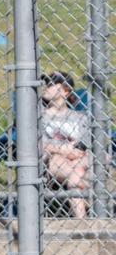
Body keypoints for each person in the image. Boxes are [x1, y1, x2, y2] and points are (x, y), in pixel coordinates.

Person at [40, 71, 92, 218]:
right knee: (66, 166)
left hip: (79, 159)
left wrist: (74, 151)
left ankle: (82, 222)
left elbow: (86, 145)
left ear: (65, 90)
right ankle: (92, 207)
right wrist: (62, 149)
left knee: (80, 170)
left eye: (50, 84)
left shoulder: (80, 117)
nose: (45, 87)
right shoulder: (39, 116)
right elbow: (34, 145)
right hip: (54, 160)